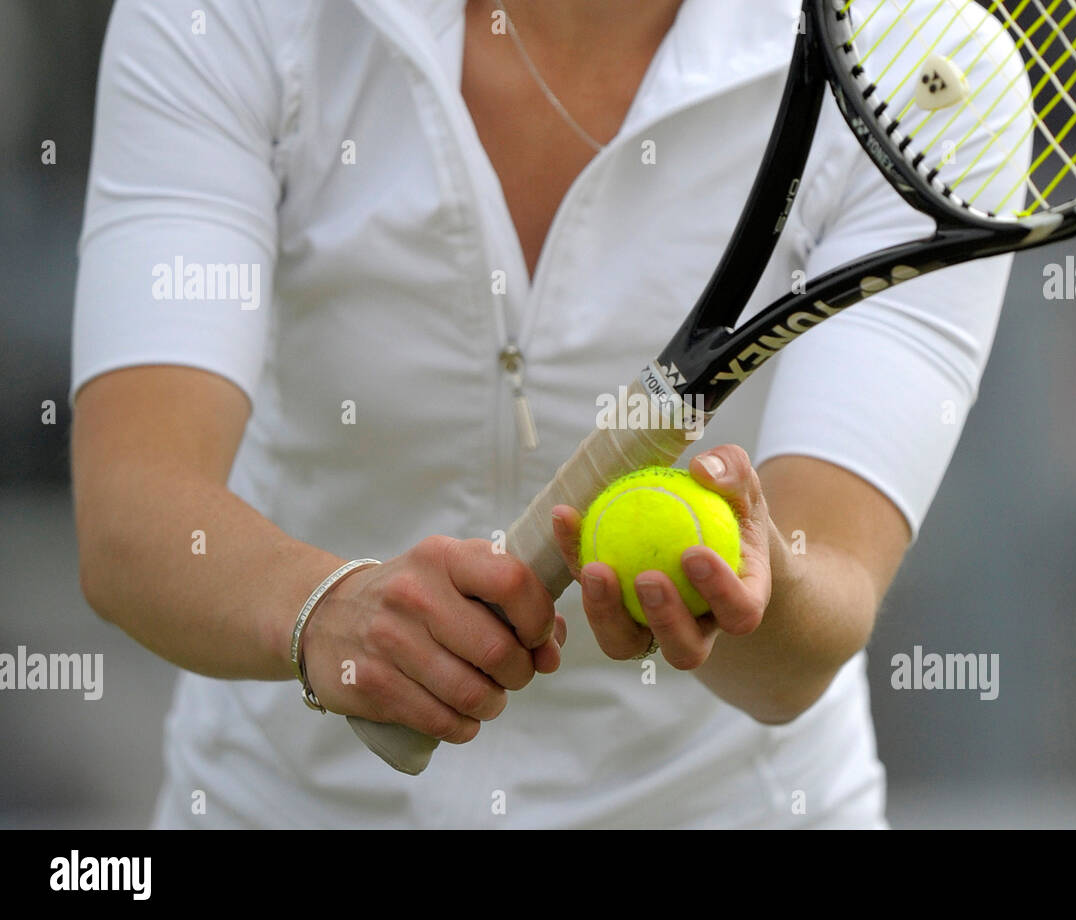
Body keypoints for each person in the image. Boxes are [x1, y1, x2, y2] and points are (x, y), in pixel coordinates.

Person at [72, 0, 1016, 828]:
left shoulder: (931, 70)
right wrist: (322, 608)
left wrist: (753, 583)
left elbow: (803, 640)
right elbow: (132, 518)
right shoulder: (217, 16)